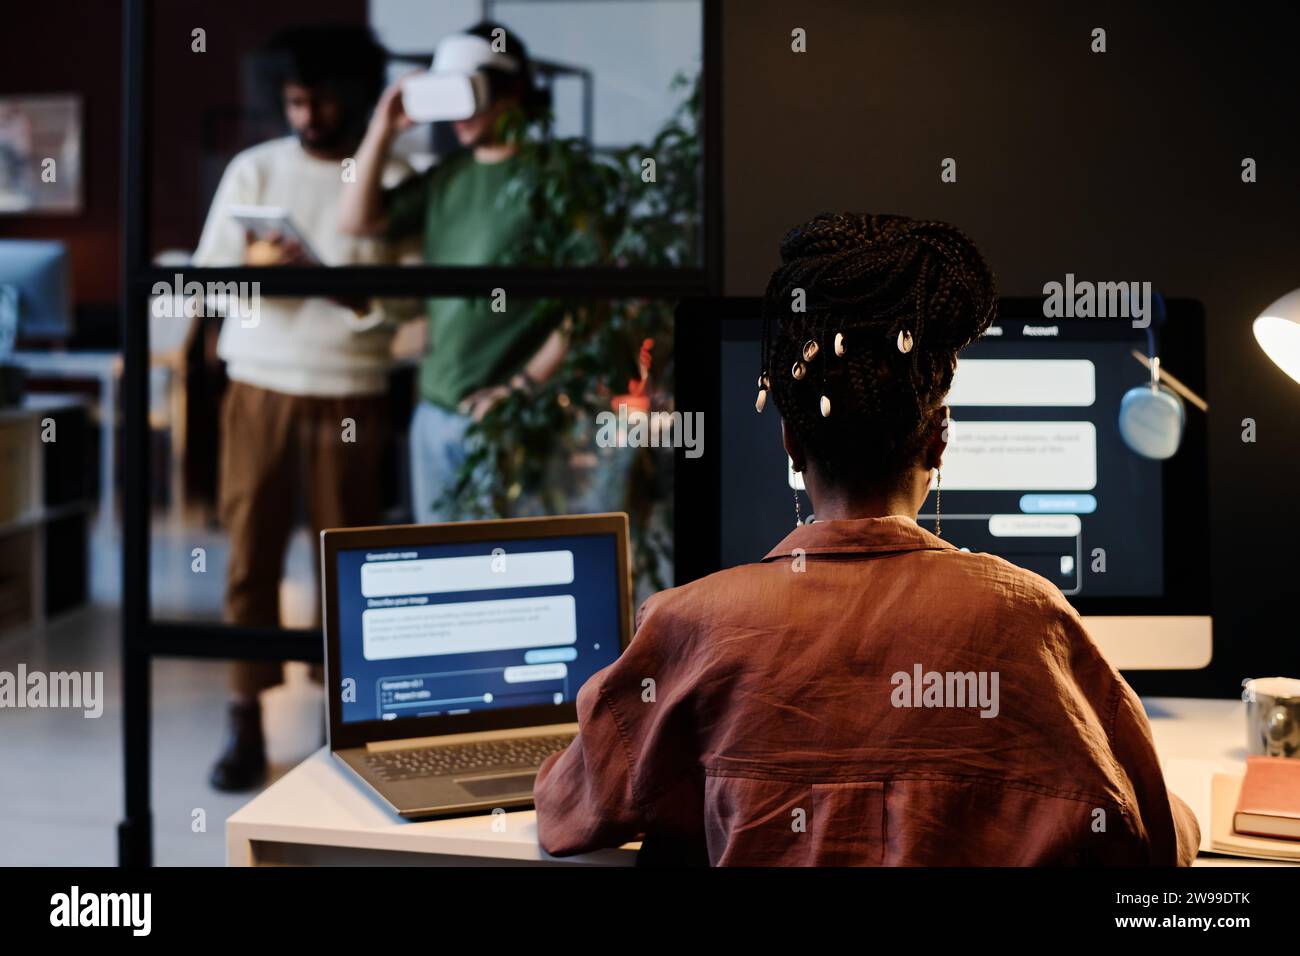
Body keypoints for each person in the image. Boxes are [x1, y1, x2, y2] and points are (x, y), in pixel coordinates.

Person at [533, 213, 1201, 866]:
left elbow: (567, 814)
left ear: (790, 442)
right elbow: (1153, 839)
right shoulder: (1031, 622)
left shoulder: (688, 627)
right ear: (939, 440)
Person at [192, 26, 412, 791]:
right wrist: (263, 271)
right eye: (293, 102)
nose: (307, 116)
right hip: (259, 385)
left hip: (351, 388)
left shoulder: (395, 176)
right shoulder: (254, 169)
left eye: (320, 101)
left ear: (353, 97)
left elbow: (410, 307)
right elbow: (207, 280)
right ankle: (243, 719)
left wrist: (338, 290)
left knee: (346, 568)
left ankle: (341, 727)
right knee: (248, 554)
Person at [338, 21, 568, 523]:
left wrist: (520, 390)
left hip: (511, 416)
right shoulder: (449, 177)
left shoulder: (556, 178)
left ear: (511, 92)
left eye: (469, 96)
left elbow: (590, 308)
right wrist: (383, 126)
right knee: (439, 560)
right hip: (435, 410)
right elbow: (355, 220)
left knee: (514, 561)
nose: (458, 116)